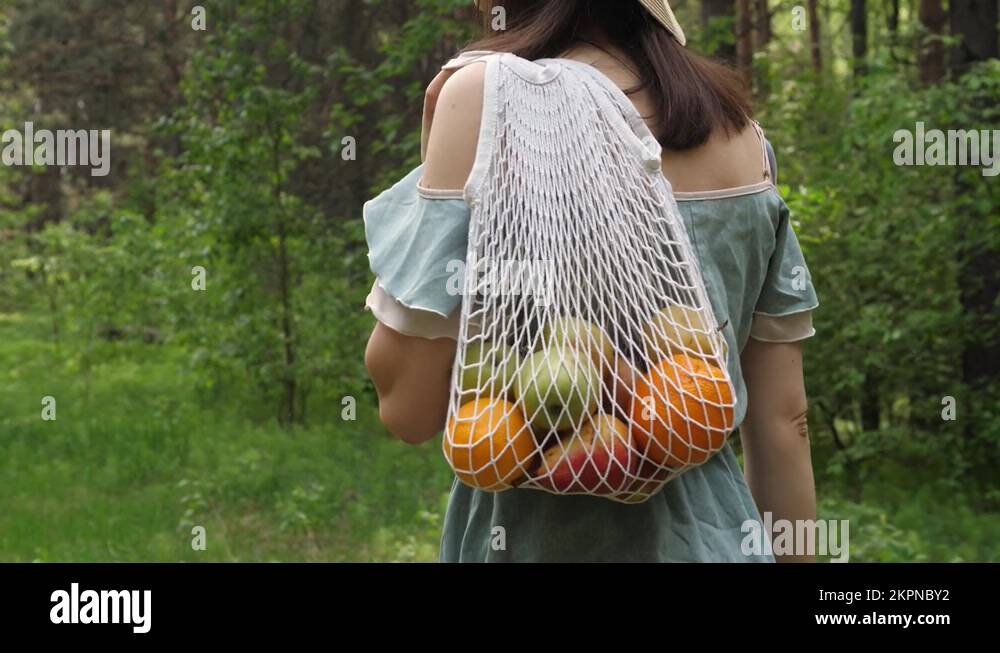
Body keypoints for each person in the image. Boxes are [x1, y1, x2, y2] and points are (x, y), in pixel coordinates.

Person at [363, 0, 819, 562]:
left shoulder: (485, 98)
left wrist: (438, 165)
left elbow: (409, 409)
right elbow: (784, 423)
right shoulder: (742, 134)